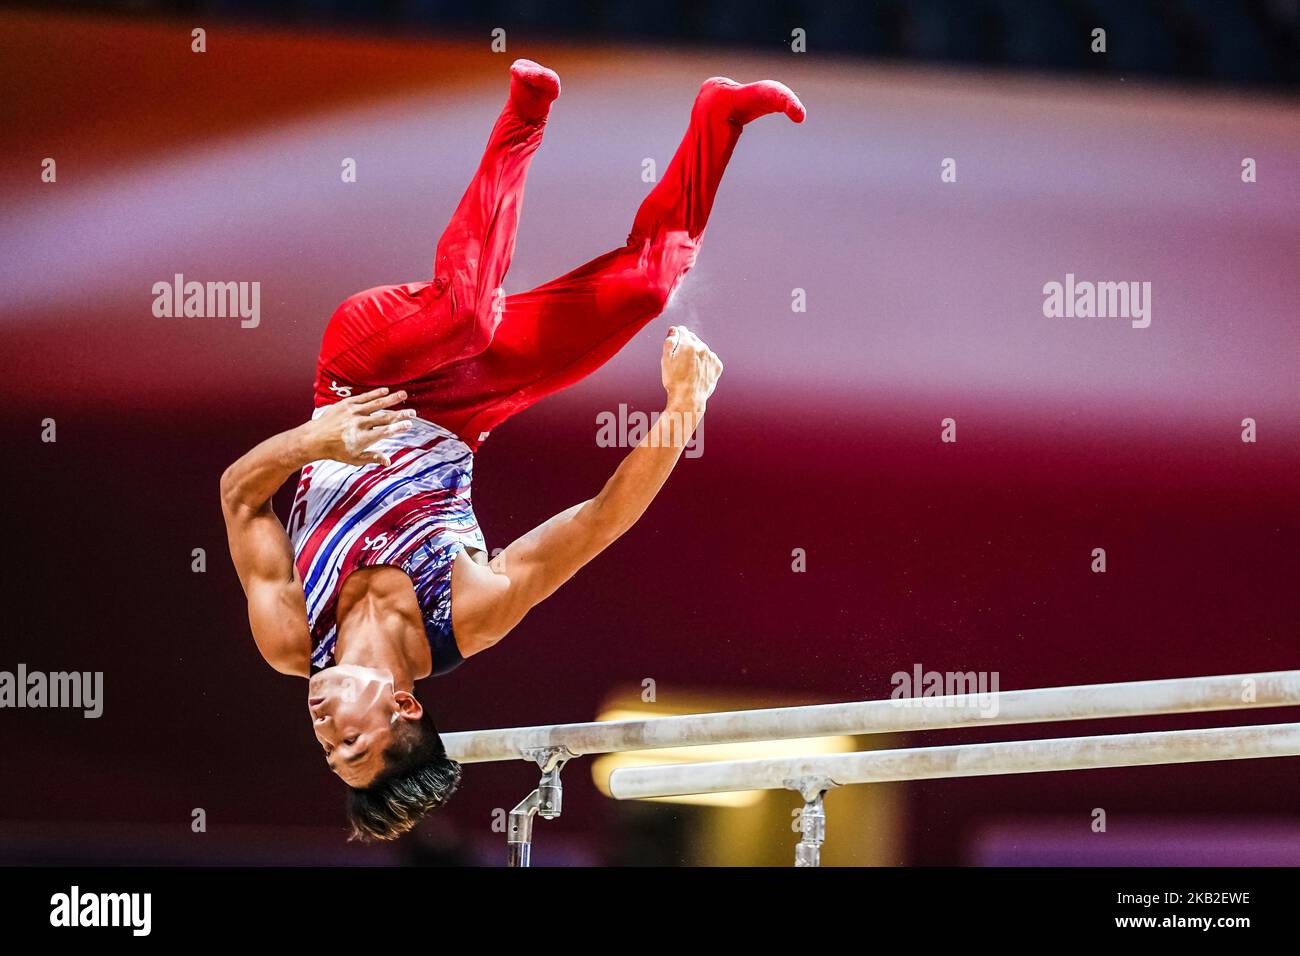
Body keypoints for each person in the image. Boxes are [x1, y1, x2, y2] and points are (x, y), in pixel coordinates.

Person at [219, 59, 804, 841]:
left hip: (358, 375)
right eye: (350, 742)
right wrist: (682, 408)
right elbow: (599, 520)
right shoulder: (469, 612)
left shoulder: (289, 637)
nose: (325, 732)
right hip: (466, 409)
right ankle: (720, 117)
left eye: (329, 751)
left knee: (464, 315)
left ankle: (524, 114)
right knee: (645, 288)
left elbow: (238, 493)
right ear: (402, 705)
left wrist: (315, 438)